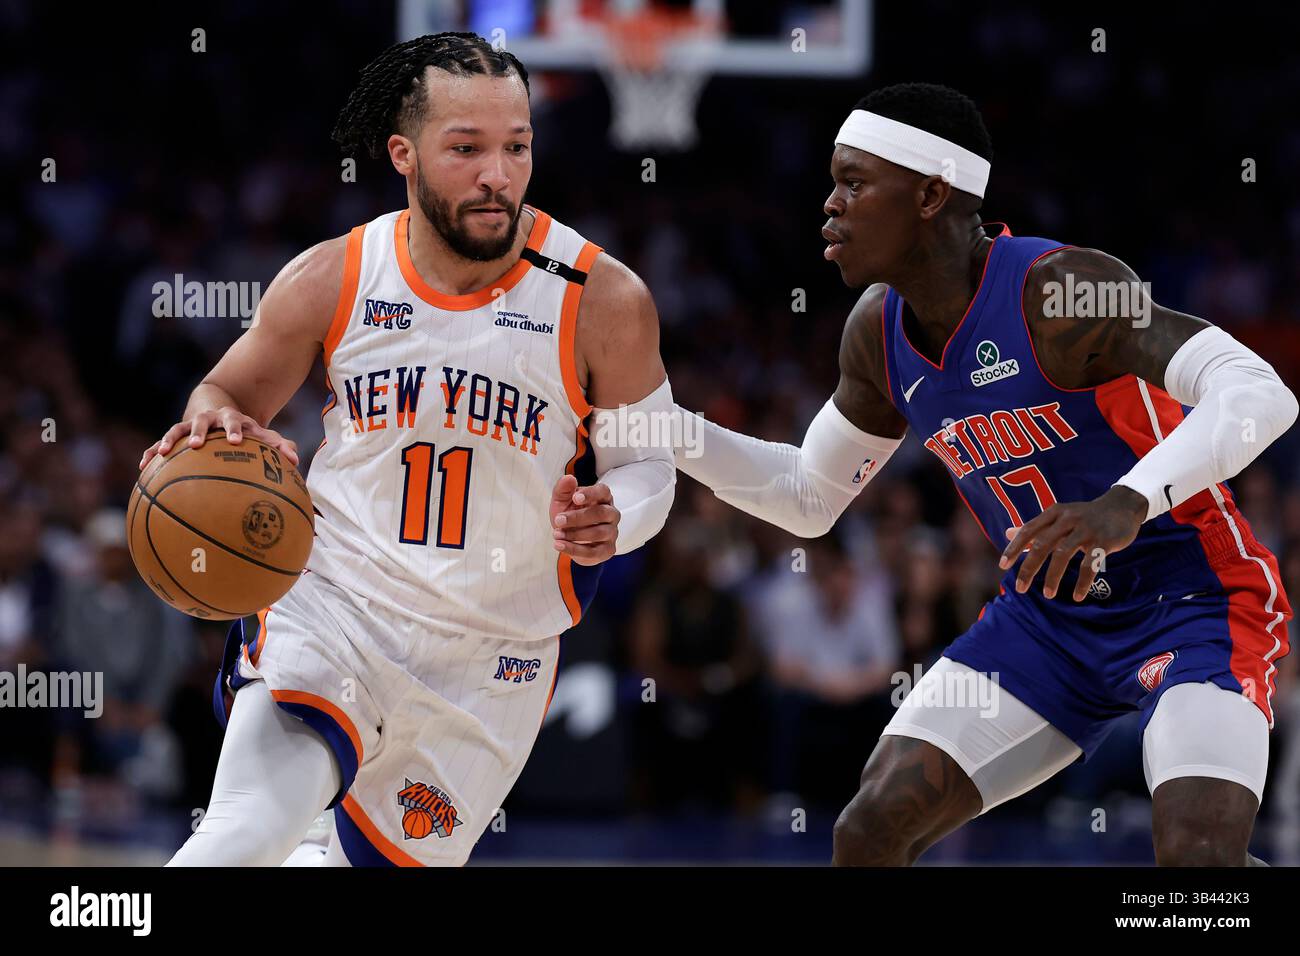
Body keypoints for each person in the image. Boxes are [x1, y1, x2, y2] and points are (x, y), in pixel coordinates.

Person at [673, 82, 1295, 866]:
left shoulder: (1060, 289)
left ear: (932, 193)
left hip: (1194, 601)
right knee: (869, 831)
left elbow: (1257, 392)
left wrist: (1127, 501)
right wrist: (666, 429)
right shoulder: (876, 332)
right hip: (1045, 625)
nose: (829, 205)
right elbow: (808, 499)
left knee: (1198, 868)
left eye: (854, 182)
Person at [144, 32, 676, 866]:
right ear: (404, 153)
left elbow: (650, 467)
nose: (497, 174)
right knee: (243, 835)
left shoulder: (605, 298)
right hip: (338, 606)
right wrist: (220, 426)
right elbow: (220, 395)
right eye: (466, 149)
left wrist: (623, 515)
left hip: (493, 657)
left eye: (517, 147)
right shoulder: (334, 276)